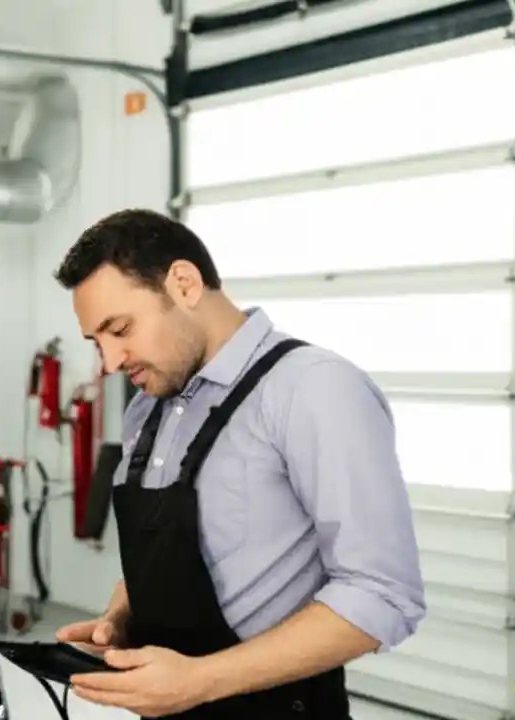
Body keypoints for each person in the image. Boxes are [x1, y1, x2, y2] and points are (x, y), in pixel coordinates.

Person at [51, 209, 425, 719]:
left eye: (120, 329)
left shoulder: (312, 389)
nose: (111, 362)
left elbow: (383, 594)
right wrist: (124, 614)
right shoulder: (148, 405)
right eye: (97, 342)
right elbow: (191, 558)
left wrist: (199, 682)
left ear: (183, 284)